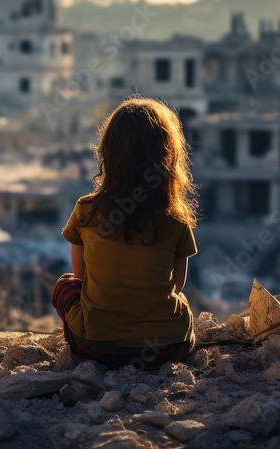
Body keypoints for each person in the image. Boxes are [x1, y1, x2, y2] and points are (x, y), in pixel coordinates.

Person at [51, 98, 199, 370]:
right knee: (180, 304)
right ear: (167, 157)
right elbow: (177, 285)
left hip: (96, 346)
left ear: (108, 153)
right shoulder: (176, 219)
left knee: (65, 284)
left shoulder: (87, 210)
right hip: (166, 347)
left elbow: (81, 278)